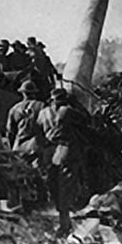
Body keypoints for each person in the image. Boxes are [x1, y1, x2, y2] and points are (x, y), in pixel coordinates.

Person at [40, 88, 87, 235]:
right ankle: (66, 225)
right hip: (67, 151)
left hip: (51, 154)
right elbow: (86, 120)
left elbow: (39, 131)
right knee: (68, 188)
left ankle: (63, 222)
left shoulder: (43, 113)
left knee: (57, 188)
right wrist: (77, 104)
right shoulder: (67, 111)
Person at [5, 80, 45, 160]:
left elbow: (10, 132)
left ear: (23, 93)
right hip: (36, 146)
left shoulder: (14, 109)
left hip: (19, 148)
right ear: (34, 92)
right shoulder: (41, 106)